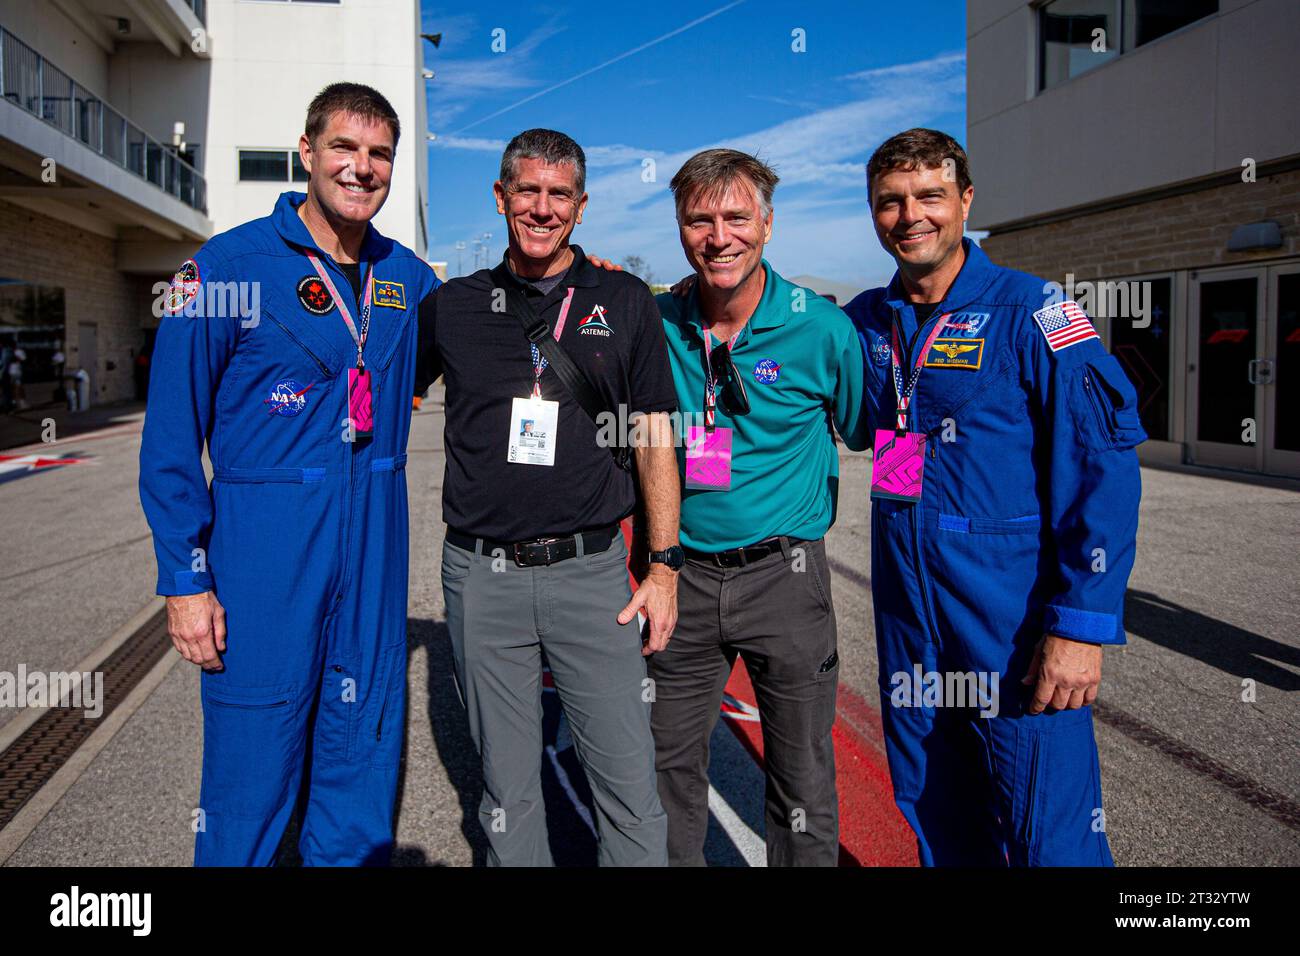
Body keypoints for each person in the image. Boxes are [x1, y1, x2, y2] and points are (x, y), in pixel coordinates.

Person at [139, 83, 440, 866]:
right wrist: (185, 579)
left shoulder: (407, 279)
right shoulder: (221, 271)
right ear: (306, 152)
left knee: (359, 763)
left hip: (373, 557)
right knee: (251, 778)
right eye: (345, 147)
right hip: (265, 559)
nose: (361, 167)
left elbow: (490, 339)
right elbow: (170, 443)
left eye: (379, 154)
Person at [843, 128, 1145, 866]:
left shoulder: (1034, 313)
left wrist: (1081, 627)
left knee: (1047, 831)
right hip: (913, 625)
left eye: (930, 197)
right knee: (934, 809)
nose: (910, 215)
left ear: (966, 201)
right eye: (890, 201)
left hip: (1011, 627)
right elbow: (770, 332)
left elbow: (1101, 470)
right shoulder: (865, 323)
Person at [415, 129, 679, 866]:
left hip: (591, 573)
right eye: (526, 191)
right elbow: (388, 394)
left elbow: (656, 432)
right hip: (481, 576)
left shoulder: (623, 300)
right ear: (500, 198)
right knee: (507, 793)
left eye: (559, 194)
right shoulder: (453, 307)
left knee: (628, 790)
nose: (542, 207)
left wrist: (663, 566)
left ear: (582, 206)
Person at [651, 149, 869, 866]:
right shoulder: (654, 324)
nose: (719, 236)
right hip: (682, 578)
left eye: (737, 217)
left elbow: (878, 433)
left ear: (768, 225)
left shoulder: (822, 330)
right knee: (665, 767)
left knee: (801, 774)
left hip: (786, 573)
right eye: (700, 219)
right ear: (680, 228)